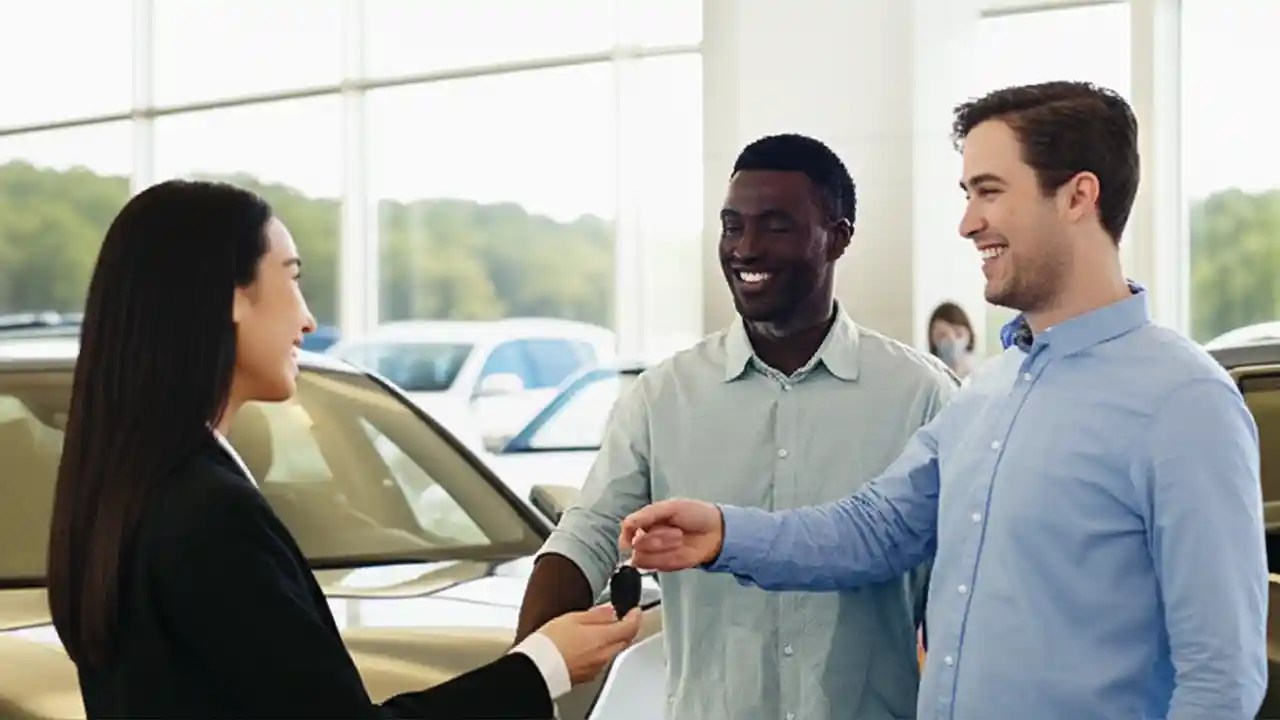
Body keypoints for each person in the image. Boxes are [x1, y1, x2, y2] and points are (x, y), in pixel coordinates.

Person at [617, 81, 1267, 719]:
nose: (966, 222)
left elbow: (1220, 679)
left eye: (989, 191)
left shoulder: (1185, 404)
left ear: (1078, 195)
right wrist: (727, 533)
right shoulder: (989, 390)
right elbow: (874, 529)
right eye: (966, 194)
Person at [45, 179, 642, 719]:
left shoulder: (118, 496)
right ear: (231, 295)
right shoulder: (208, 513)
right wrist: (543, 665)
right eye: (292, 276)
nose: (307, 320)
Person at [514, 133, 959, 719]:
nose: (745, 249)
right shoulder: (662, 396)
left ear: (839, 236)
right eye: (732, 226)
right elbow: (591, 534)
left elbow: (956, 587)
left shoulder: (922, 396)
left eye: (775, 226)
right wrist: (519, 675)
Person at [926, 301, 976, 378]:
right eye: (942, 335)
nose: (951, 341)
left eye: (958, 334)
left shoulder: (984, 374)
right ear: (932, 339)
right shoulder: (926, 376)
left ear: (969, 335)